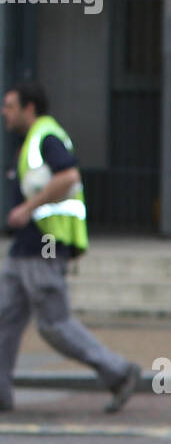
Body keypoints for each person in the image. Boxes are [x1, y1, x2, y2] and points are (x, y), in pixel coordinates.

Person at [0, 81, 141, 413]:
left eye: (9, 105)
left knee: (54, 324)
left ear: (29, 108)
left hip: (46, 242)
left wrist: (27, 207)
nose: (4, 112)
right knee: (4, 318)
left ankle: (119, 373)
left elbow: (68, 176)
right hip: (25, 246)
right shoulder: (30, 141)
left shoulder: (47, 136)